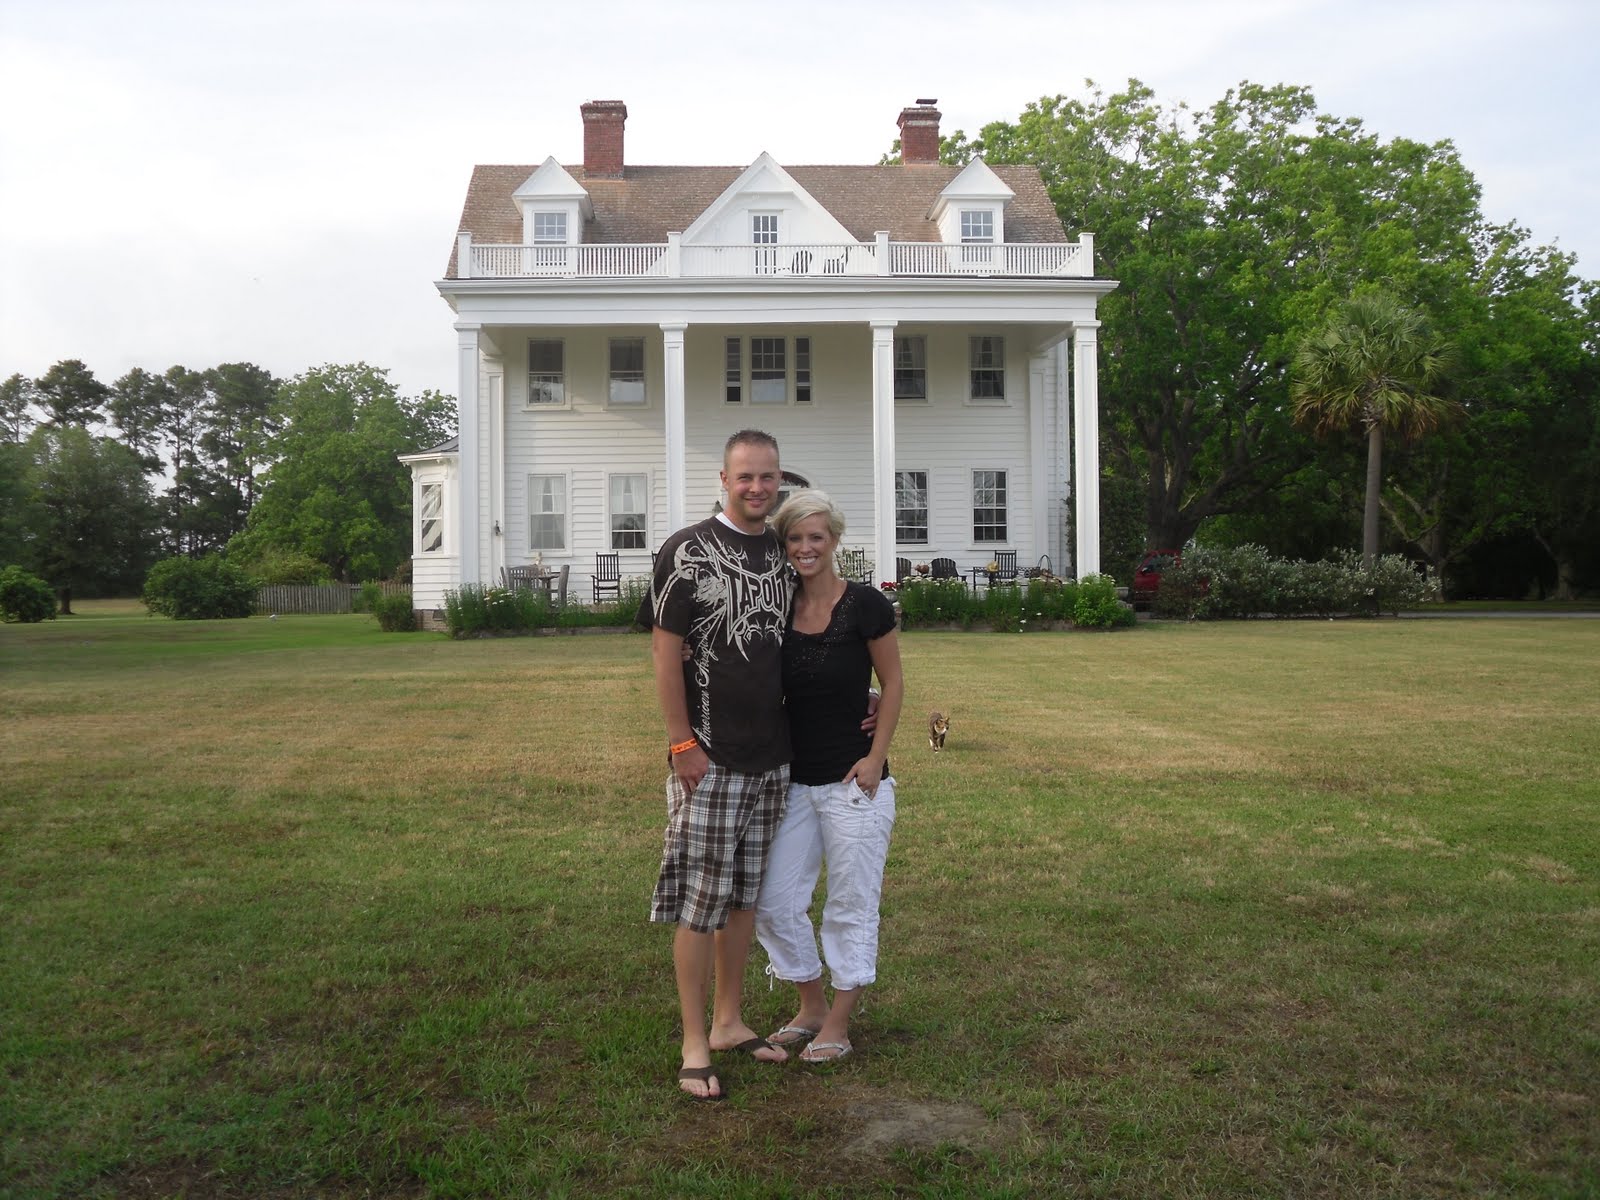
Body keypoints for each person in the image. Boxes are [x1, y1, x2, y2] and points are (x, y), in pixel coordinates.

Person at [648, 429, 794, 1100]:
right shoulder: (688, 551)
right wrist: (682, 742)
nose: (758, 488)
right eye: (746, 477)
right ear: (724, 478)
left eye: (768, 477)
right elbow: (665, 651)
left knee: (743, 901)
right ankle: (694, 1039)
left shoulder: (788, 548)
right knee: (700, 903)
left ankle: (731, 1020)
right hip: (709, 758)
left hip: (773, 759)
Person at [755, 489, 904, 1065]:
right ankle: (810, 1006)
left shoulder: (864, 603)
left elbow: (891, 684)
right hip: (794, 777)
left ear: (834, 540)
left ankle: (839, 1022)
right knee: (774, 900)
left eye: (815, 536)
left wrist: (874, 759)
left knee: (850, 901)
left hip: (853, 781)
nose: (805, 547)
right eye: (794, 538)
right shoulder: (778, 605)